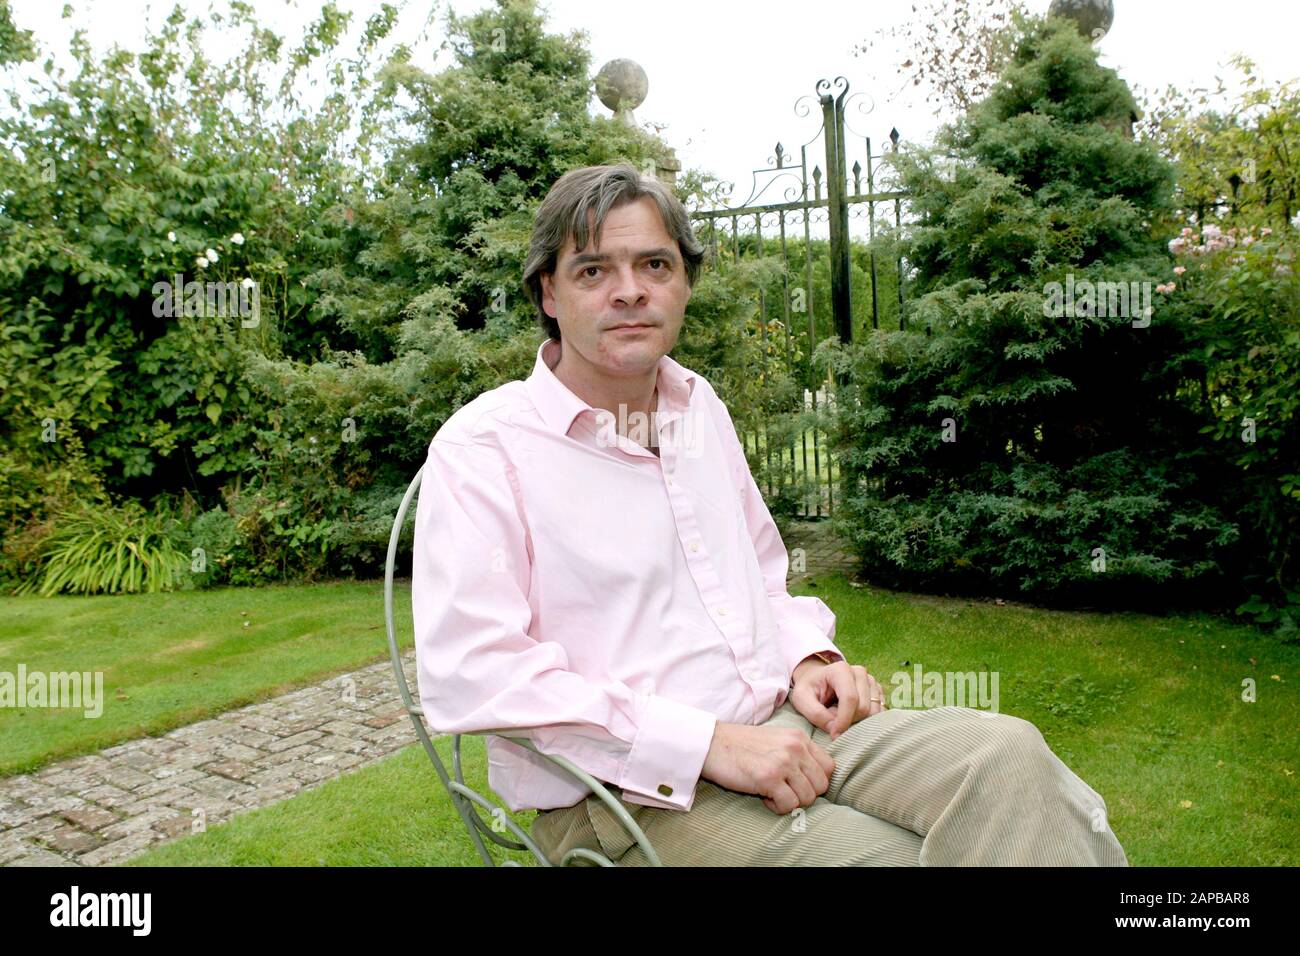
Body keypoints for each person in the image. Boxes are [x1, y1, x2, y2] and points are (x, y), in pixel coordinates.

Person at [411, 162, 1129, 867]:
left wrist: (810, 656)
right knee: (900, 860)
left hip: (786, 729)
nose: (630, 292)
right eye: (594, 271)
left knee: (1008, 758)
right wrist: (707, 744)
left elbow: (760, 575)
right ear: (548, 292)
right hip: (622, 798)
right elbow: (474, 672)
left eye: (655, 265)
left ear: (684, 282)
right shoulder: (484, 450)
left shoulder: (698, 406)